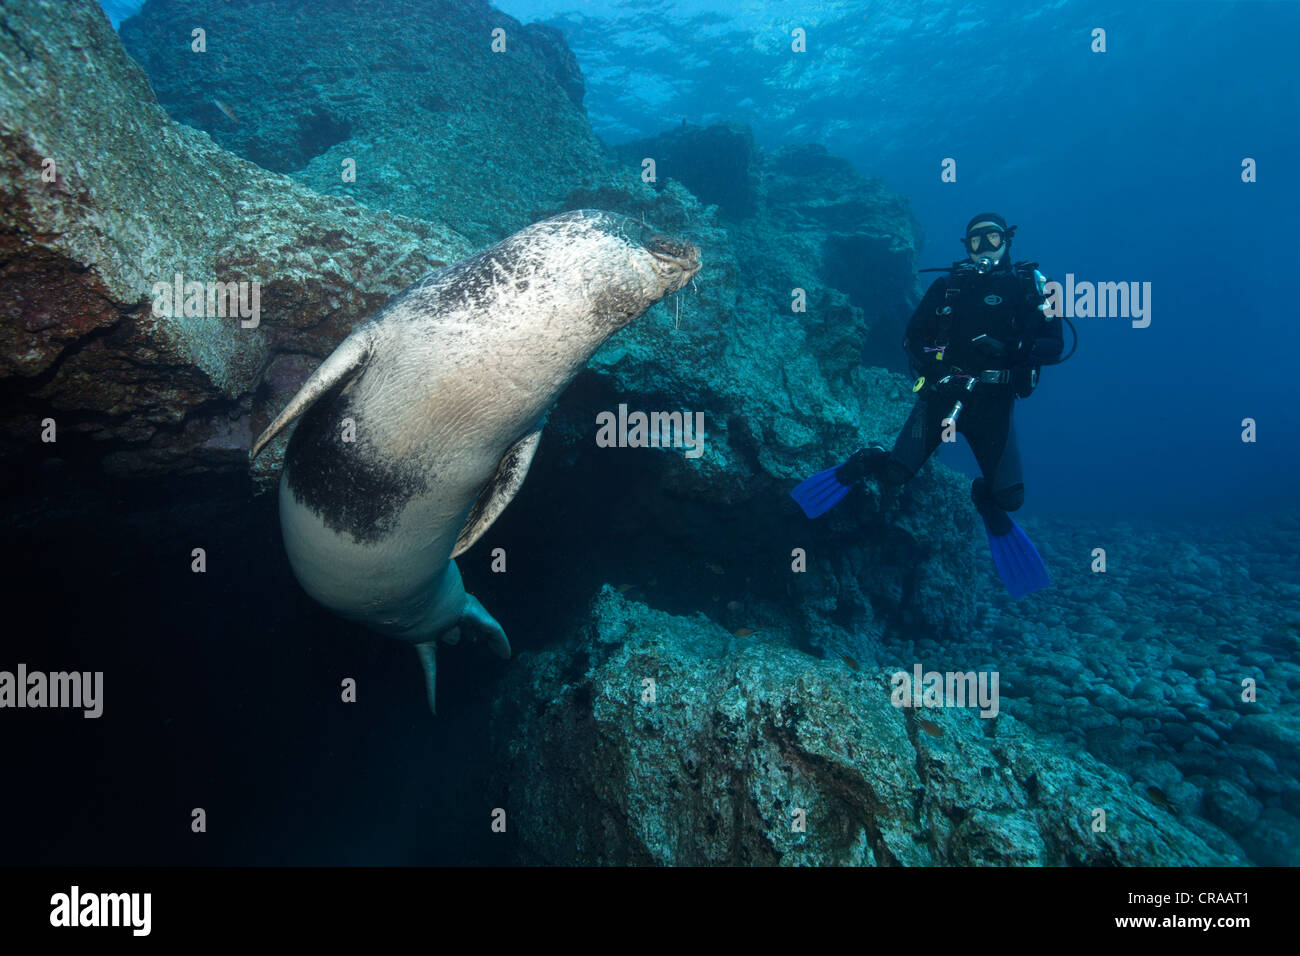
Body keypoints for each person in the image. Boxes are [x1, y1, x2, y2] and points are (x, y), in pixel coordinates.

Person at [791, 213, 1073, 599]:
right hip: (942, 397)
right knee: (894, 475)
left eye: (992, 238)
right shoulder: (948, 287)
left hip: (993, 405)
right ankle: (865, 460)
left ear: (1007, 240)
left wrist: (1011, 350)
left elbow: (1055, 346)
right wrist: (935, 366)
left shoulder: (1037, 288)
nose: (985, 249)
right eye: (976, 241)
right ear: (966, 246)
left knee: (1011, 499)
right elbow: (913, 336)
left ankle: (984, 500)